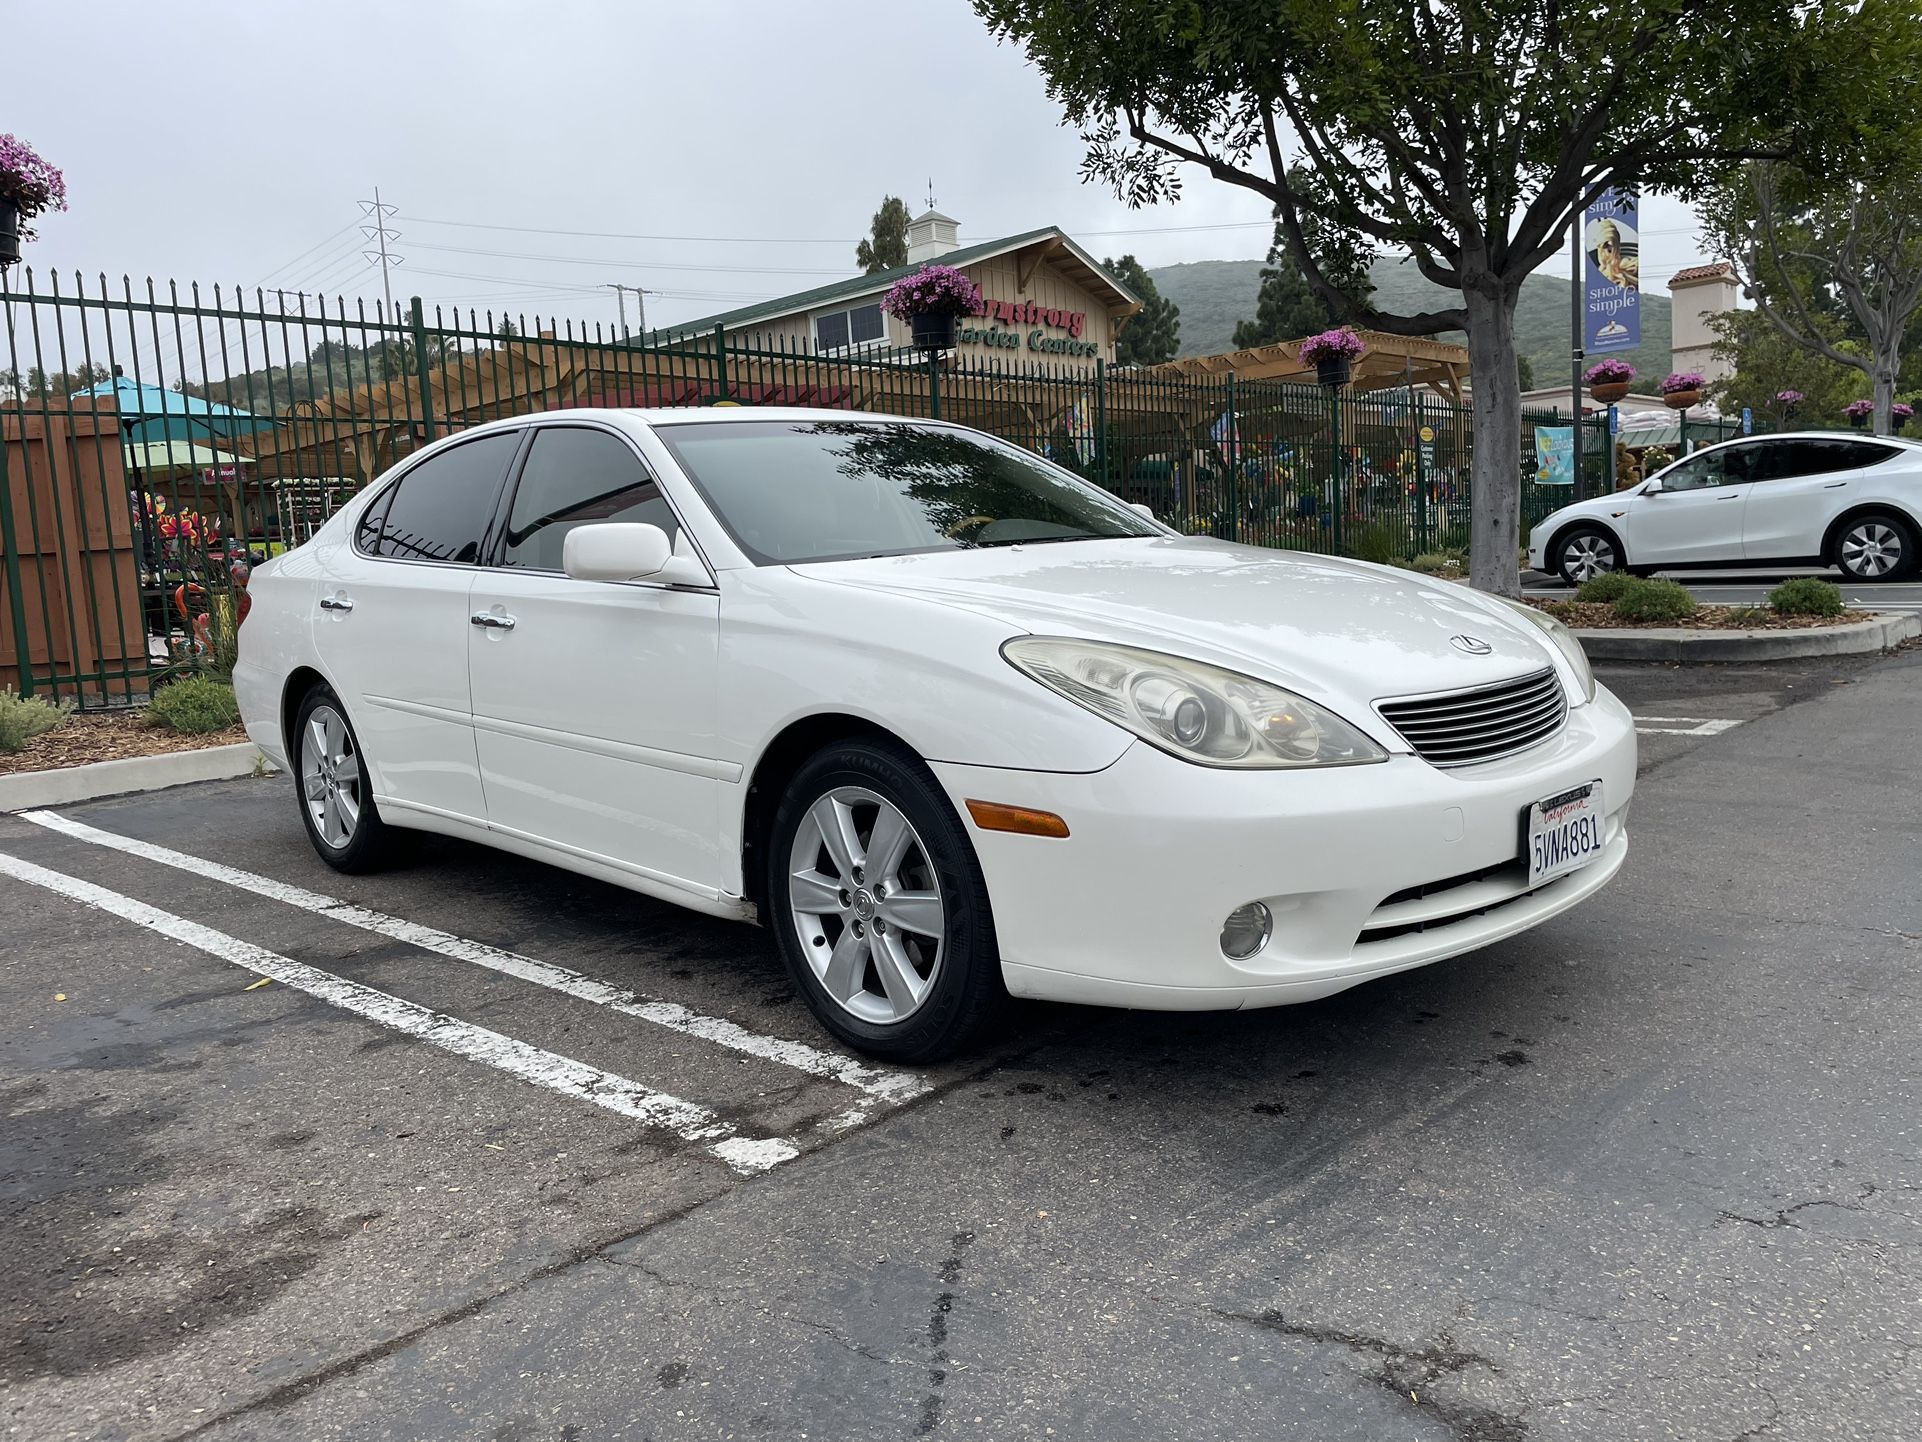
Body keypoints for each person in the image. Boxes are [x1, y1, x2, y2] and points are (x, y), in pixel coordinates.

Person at [1594, 219, 1640, 292]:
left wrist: (1624, 275)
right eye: (1606, 245)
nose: (1609, 247)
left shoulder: (1627, 264)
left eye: (1611, 244)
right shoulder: (1601, 270)